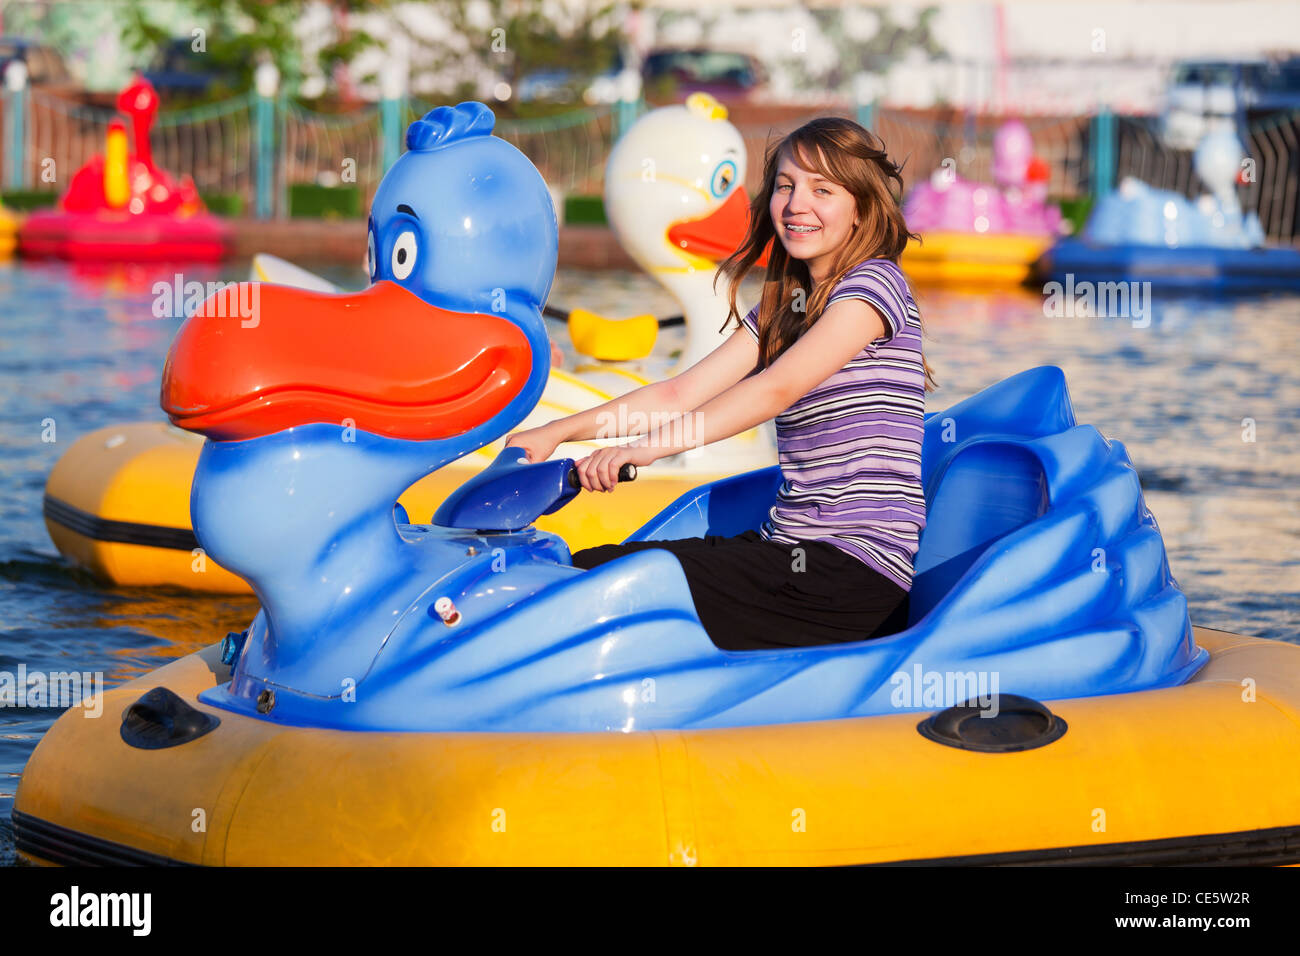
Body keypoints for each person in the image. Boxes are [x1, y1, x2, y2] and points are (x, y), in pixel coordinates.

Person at [506, 116, 936, 651]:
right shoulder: (785, 303)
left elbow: (776, 389)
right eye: (785, 185)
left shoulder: (875, 285)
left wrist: (639, 452)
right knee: (590, 566)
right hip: (786, 550)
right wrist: (557, 433)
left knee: (609, 587)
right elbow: (678, 392)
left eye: (822, 190)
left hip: (851, 575)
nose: (796, 203)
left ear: (861, 209)